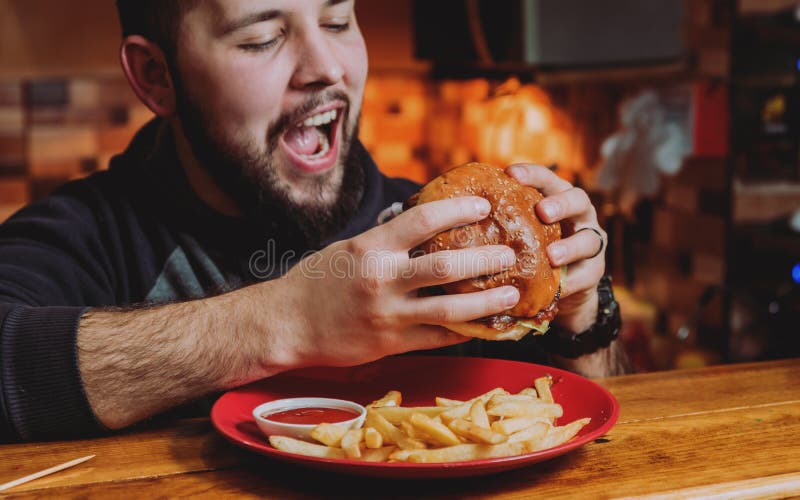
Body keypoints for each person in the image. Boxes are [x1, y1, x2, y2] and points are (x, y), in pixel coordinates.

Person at [0, 0, 629, 442]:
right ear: (156, 77)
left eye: (337, 19)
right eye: (261, 38)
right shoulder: (85, 236)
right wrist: (287, 319)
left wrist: (580, 315)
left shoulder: (449, 242)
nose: (326, 67)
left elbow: (584, 442)